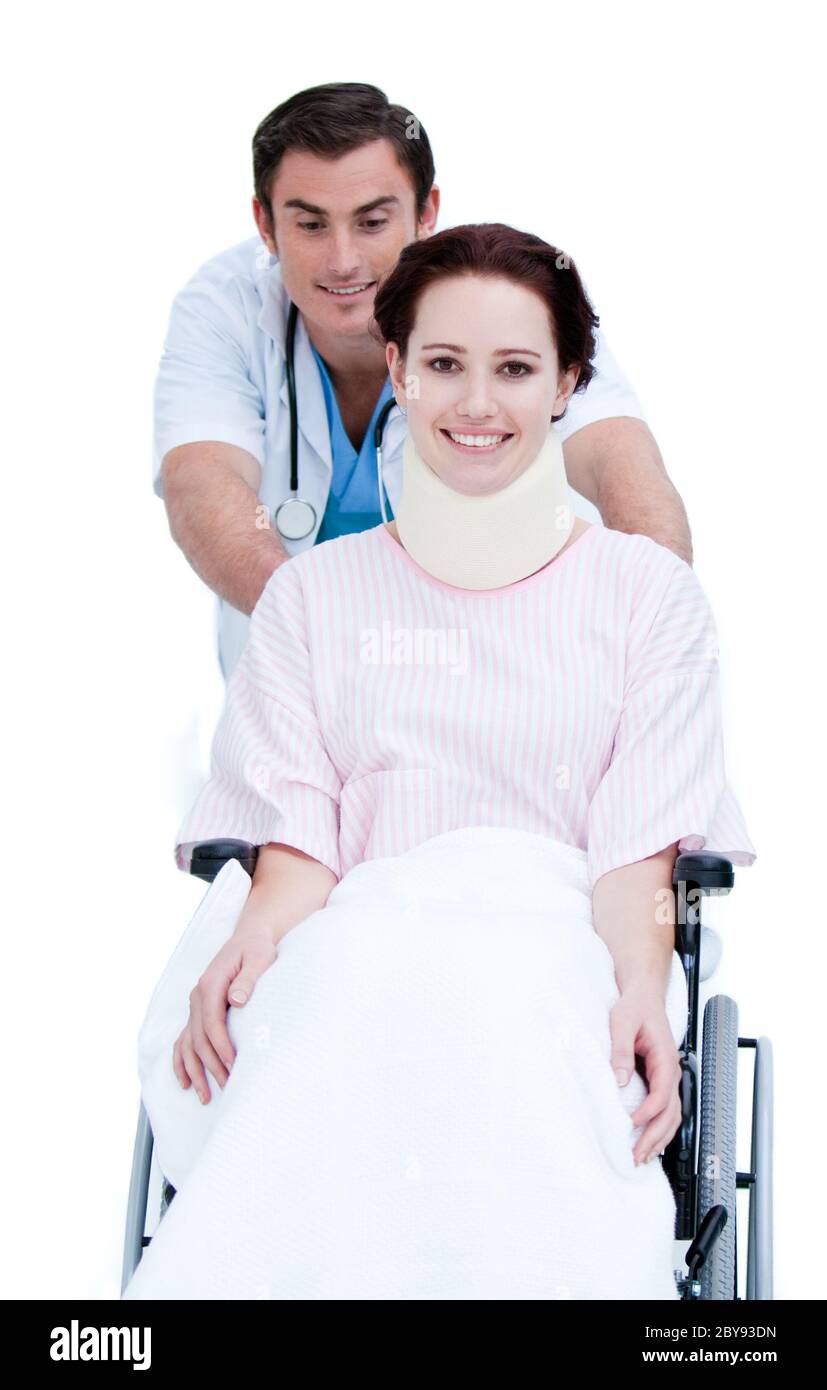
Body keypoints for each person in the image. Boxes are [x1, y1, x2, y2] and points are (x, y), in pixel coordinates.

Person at [125, 224, 756, 1302]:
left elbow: (634, 865)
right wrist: (254, 936)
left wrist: (644, 985)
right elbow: (299, 850)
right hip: (353, 937)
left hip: (552, 949)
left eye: (513, 369)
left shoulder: (647, 598)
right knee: (331, 1005)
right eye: (445, 366)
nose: (476, 404)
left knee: (518, 1023)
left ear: (567, 384)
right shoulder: (311, 600)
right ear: (402, 370)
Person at [153, 82, 692, 680]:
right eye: (310, 225)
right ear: (265, 222)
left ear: (426, 212)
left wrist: (657, 630)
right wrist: (321, 626)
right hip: (300, 673)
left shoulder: (508, 293)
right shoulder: (223, 307)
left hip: (494, 673)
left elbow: (624, 466)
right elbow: (202, 483)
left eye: (373, 221)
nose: (343, 260)